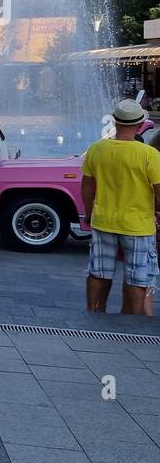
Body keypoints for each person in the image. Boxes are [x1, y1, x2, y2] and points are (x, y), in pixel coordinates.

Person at [81, 99, 160, 314]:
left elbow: (87, 186)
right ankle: (130, 322)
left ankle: (95, 312)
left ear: (115, 121)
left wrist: (89, 212)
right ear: (141, 123)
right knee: (137, 275)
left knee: (99, 271)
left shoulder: (96, 149)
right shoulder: (149, 155)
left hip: (103, 220)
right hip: (138, 225)